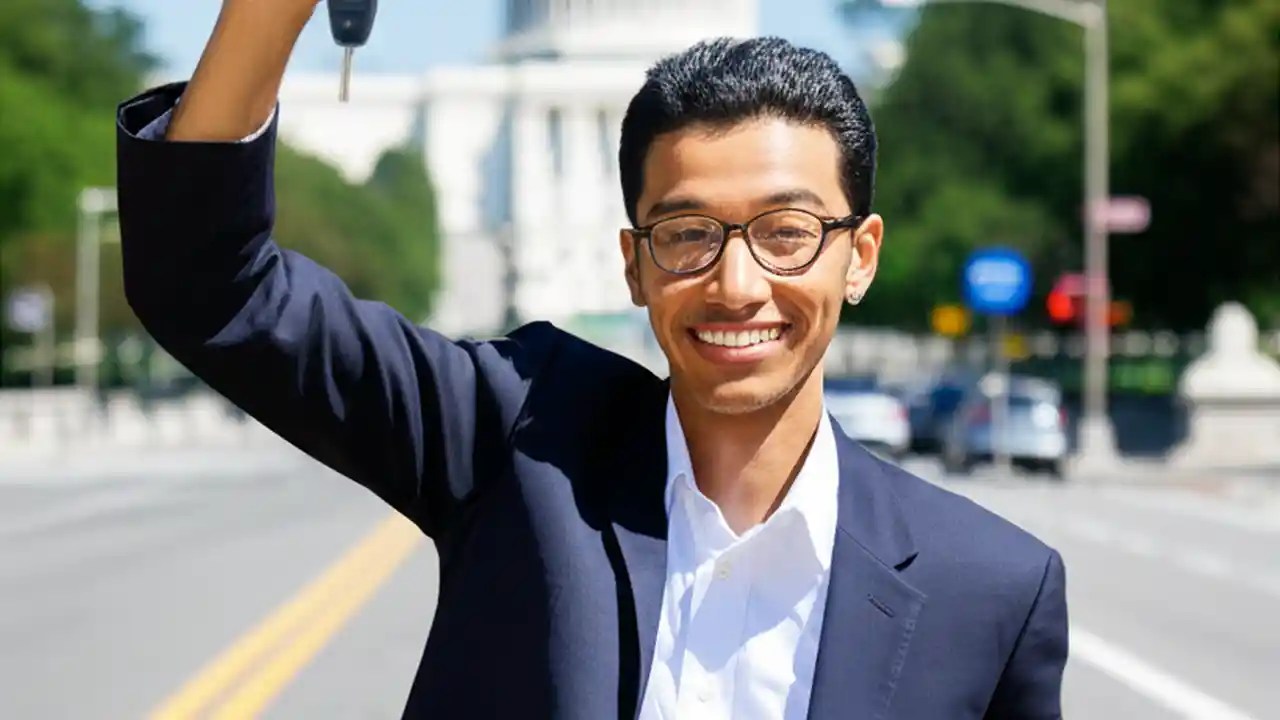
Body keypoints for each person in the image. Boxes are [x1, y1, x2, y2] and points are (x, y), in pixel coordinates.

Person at [115, 1, 1068, 717]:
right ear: (634, 264)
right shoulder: (519, 446)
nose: (738, 284)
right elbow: (211, 287)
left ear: (859, 256)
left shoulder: (989, 590)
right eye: (687, 233)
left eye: (787, 232)